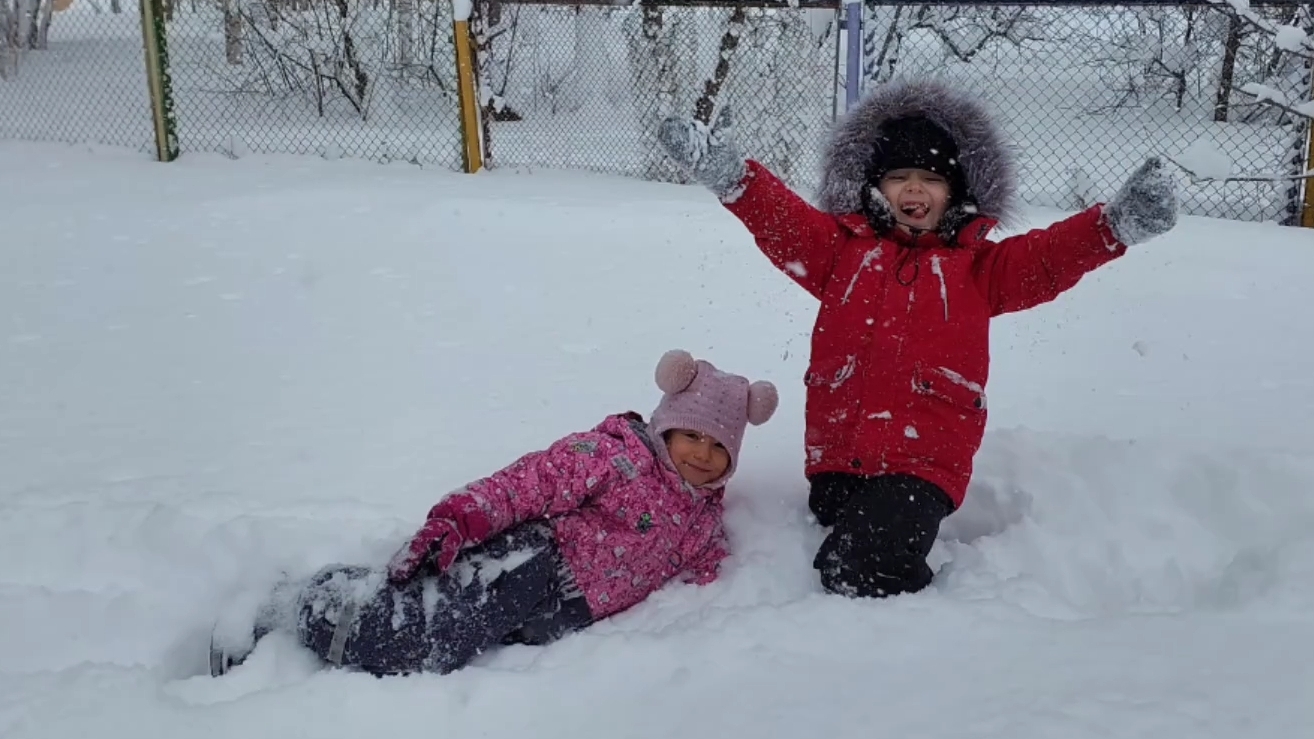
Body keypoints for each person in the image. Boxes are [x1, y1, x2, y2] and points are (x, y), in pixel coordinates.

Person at [655, 77, 1178, 599]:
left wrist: (1112, 228)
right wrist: (735, 179)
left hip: (923, 464)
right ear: (874, 188)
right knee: (838, 529)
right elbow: (784, 223)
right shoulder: (842, 254)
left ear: (954, 192)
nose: (913, 189)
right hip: (838, 460)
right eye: (899, 176)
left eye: (929, 178)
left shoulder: (980, 270)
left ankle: (934, 623)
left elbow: (1047, 258)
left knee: (857, 569)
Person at [209, 348, 778, 677]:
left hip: (558, 612)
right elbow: (531, 481)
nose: (702, 455)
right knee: (424, 637)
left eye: (718, 446)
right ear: (667, 425)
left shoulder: (703, 516)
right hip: (534, 563)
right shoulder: (618, 455)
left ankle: (345, 609)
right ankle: (297, 610)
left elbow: (707, 564)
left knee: (442, 632)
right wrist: (462, 517)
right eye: (692, 437)